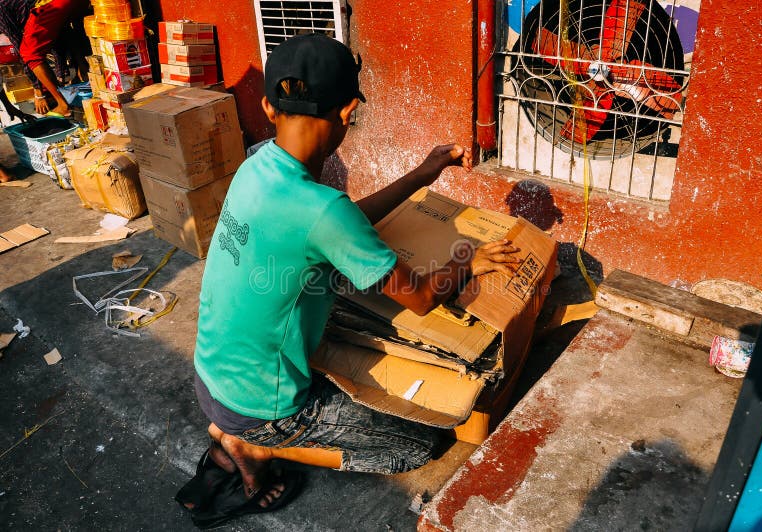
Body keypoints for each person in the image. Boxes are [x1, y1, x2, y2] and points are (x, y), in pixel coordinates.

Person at [179, 34, 522, 527]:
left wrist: (421, 176)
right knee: (415, 445)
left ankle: (232, 433)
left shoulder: (256, 167)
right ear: (348, 111)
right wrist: (468, 260)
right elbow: (422, 298)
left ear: (268, 107)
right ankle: (255, 446)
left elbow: (338, 225)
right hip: (259, 407)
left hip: (211, 377)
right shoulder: (321, 209)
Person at [0, 0, 90, 116]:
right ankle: (85, 75)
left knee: (29, 53)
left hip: (55, 5)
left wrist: (39, 92)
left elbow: (21, 49)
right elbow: (56, 33)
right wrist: (61, 73)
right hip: (72, 5)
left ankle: (62, 105)